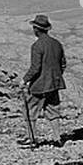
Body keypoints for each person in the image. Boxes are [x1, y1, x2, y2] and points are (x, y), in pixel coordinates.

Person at [21, 15, 65, 145]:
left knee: (30, 111)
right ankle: (57, 138)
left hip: (39, 85)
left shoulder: (37, 46)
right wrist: (55, 76)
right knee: (53, 110)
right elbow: (63, 64)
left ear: (36, 29)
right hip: (54, 83)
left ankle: (31, 138)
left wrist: (25, 80)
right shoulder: (57, 44)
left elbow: (35, 68)